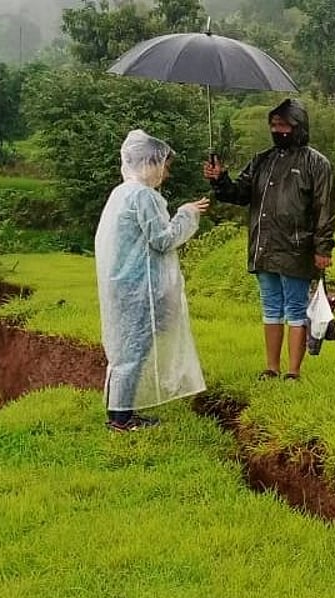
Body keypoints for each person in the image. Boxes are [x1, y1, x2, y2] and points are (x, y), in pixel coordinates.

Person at [203, 98, 335, 382]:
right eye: (274, 125)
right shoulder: (262, 160)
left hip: (297, 249)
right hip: (264, 247)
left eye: (284, 124)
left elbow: (325, 208)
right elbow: (239, 194)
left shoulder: (316, 164)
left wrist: (323, 248)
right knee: (271, 308)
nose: (278, 130)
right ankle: (271, 367)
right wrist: (220, 180)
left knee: (295, 309)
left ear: (298, 126)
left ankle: (293, 371)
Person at [95, 130, 209, 431]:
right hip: (138, 288)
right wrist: (186, 214)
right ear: (148, 163)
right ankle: (121, 419)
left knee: (125, 350)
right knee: (132, 351)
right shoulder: (143, 196)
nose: (165, 172)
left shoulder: (121, 193)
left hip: (123, 285)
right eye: (163, 165)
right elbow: (162, 239)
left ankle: (120, 413)